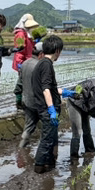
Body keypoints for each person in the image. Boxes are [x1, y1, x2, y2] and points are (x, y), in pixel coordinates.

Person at [22, 34, 64, 172]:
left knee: (50, 138)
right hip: (46, 110)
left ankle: (48, 164)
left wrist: (64, 92)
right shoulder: (46, 65)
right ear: (57, 51)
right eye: (60, 52)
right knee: (46, 139)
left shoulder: (41, 63)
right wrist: (51, 110)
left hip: (43, 107)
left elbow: (48, 88)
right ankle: (39, 167)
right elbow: (46, 90)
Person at [10, 13, 41, 109]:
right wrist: (20, 65)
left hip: (29, 61)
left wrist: (36, 41)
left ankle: (26, 102)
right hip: (23, 63)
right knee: (22, 83)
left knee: (28, 83)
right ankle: (19, 103)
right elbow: (19, 51)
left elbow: (30, 47)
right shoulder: (20, 34)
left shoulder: (27, 33)